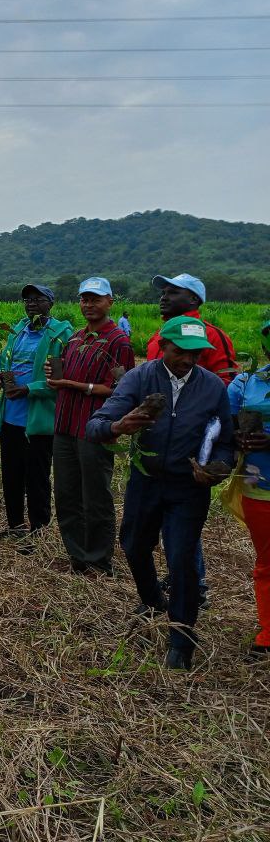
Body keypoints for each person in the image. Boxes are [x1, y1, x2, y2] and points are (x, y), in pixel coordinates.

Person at [87, 316, 235, 671]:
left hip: (188, 487)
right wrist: (118, 426)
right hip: (146, 480)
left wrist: (218, 468)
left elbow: (225, 442)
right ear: (163, 347)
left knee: (181, 557)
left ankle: (181, 637)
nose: (188, 359)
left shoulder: (212, 387)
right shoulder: (140, 378)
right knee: (134, 545)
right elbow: (96, 425)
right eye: (180, 351)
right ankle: (153, 600)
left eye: (196, 353)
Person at [147, 274, 236, 603]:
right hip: (159, 439)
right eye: (163, 291)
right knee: (164, 513)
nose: (164, 297)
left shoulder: (210, 335)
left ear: (195, 300)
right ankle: (181, 575)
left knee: (183, 511)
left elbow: (226, 386)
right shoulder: (161, 334)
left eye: (173, 292)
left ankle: (193, 584)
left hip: (192, 439)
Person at [47, 277, 136, 575]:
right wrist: (54, 374)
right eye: (84, 299)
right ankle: (77, 555)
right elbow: (62, 379)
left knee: (95, 495)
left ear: (110, 302)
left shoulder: (118, 342)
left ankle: (98, 560)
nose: (89, 305)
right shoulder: (75, 338)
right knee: (66, 494)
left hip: (94, 428)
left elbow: (121, 390)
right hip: (65, 425)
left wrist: (72, 384)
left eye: (96, 299)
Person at [0, 283, 73, 541]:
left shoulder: (61, 334)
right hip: (11, 416)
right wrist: (1, 375)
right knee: (11, 474)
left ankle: (38, 530)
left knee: (37, 477)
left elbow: (62, 380)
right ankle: (15, 526)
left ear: (50, 303)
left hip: (39, 418)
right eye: (27, 300)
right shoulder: (17, 331)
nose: (31, 304)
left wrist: (29, 388)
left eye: (38, 299)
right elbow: (6, 363)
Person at [228, 319, 270, 658]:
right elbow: (223, 423)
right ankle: (268, 631)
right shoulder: (247, 382)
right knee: (267, 561)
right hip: (260, 484)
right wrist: (237, 437)